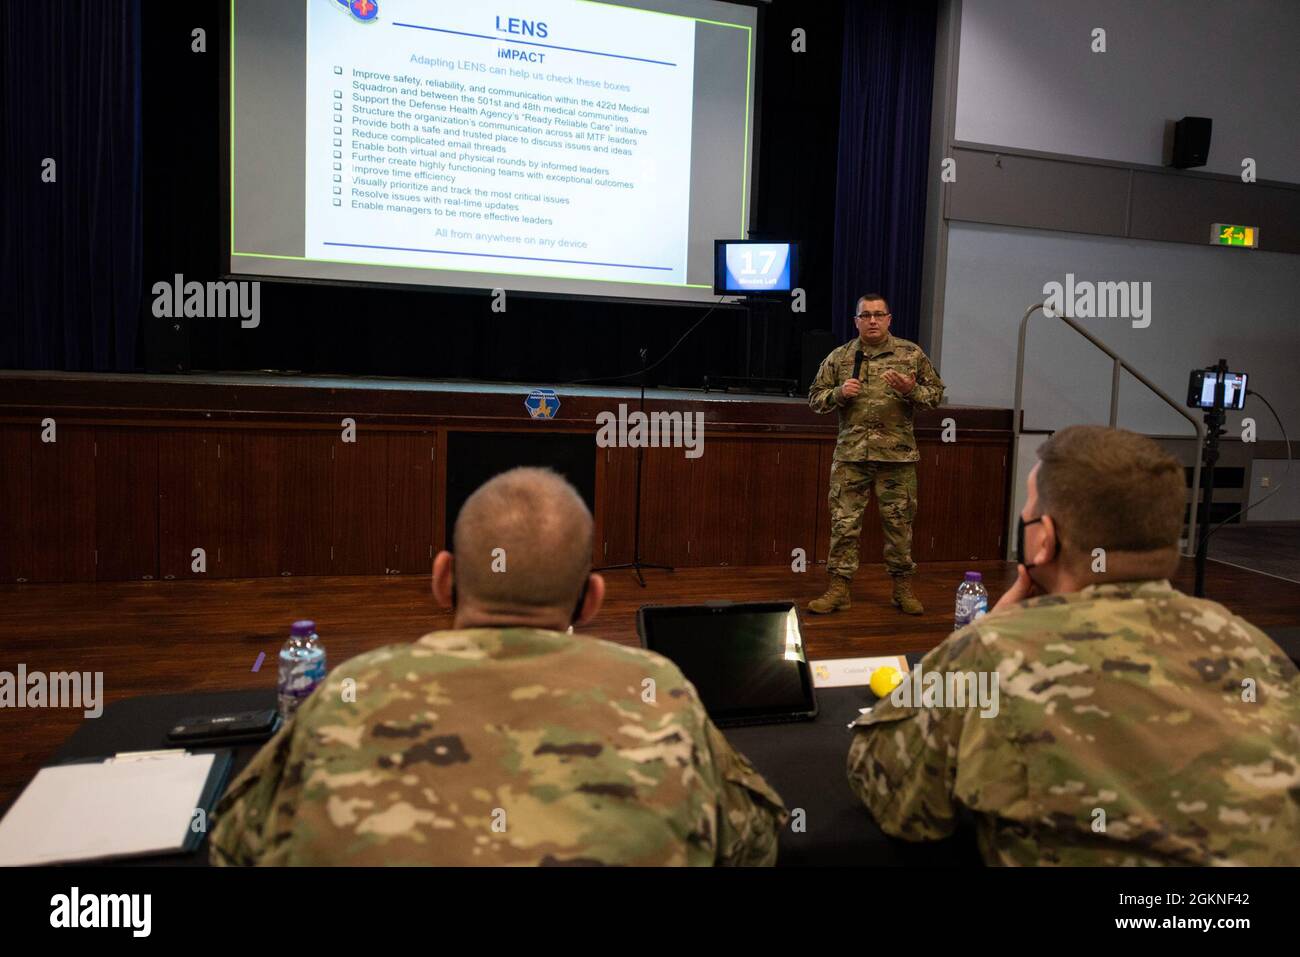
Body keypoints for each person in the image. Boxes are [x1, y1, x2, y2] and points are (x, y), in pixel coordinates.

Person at [209, 467, 787, 866]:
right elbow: (755, 842)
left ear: (442, 581)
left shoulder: (349, 691)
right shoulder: (660, 692)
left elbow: (233, 845)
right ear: (592, 600)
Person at [846, 426, 1300, 865]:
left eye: (1028, 507)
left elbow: (893, 793)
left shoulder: (992, 653)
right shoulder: (1255, 647)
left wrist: (979, 635)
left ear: (1044, 539)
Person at [806, 293, 945, 615]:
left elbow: (935, 396)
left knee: (899, 527)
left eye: (878, 315)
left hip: (896, 459)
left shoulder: (911, 354)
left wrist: (911, 390)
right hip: (851, 458)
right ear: (856, 321)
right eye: (865, 315)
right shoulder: (840, 358)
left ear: (889, 319)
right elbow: (814, 399)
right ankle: (839, 590)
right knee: (844, 525)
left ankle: (902, 589)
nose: (872, 320)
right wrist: (839, 394)